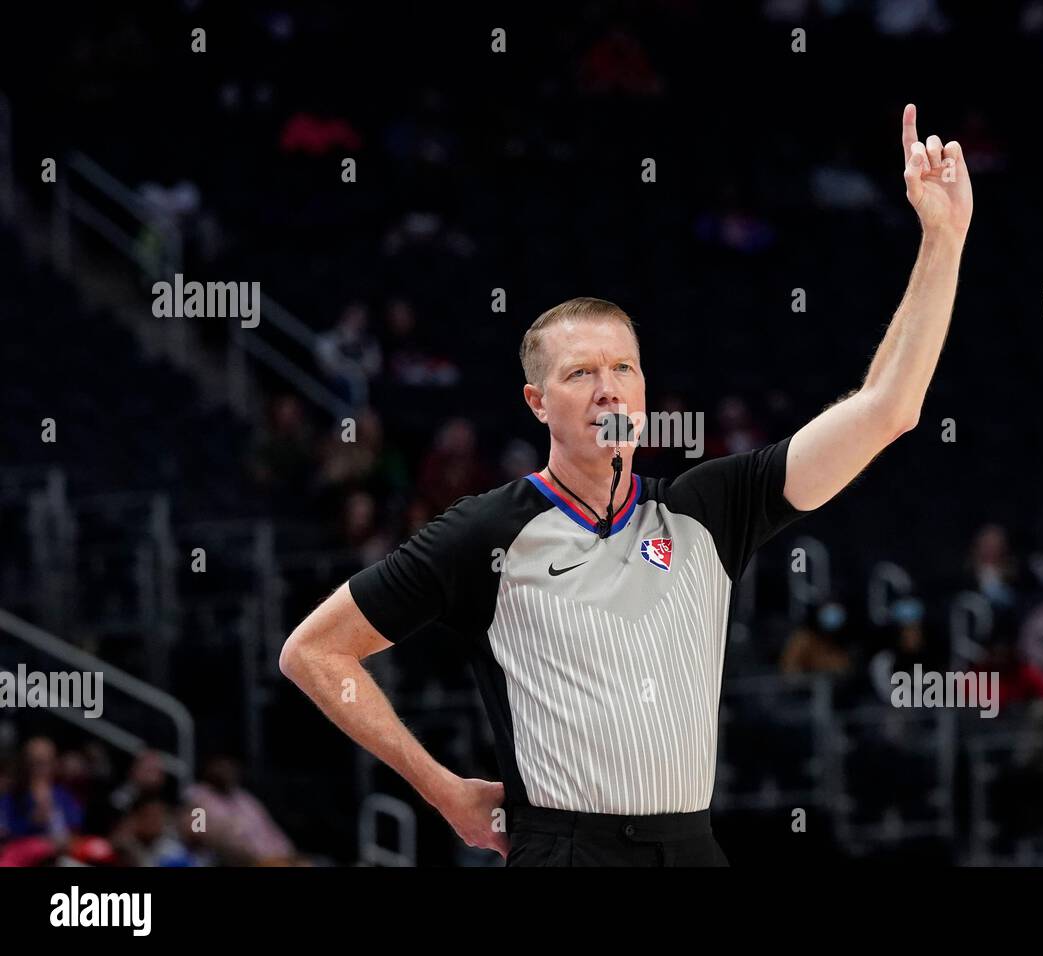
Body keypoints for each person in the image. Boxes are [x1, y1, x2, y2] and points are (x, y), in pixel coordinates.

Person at [280, 104, 973, 867]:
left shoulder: (709, 508)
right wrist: (441, 787)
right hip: (563, 849)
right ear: (537, 403)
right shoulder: (487, 532)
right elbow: (314, 653)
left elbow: (889, 411)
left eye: (624, 369)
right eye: (581, 373)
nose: (609, 389)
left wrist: (942, 239)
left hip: (693, 847)